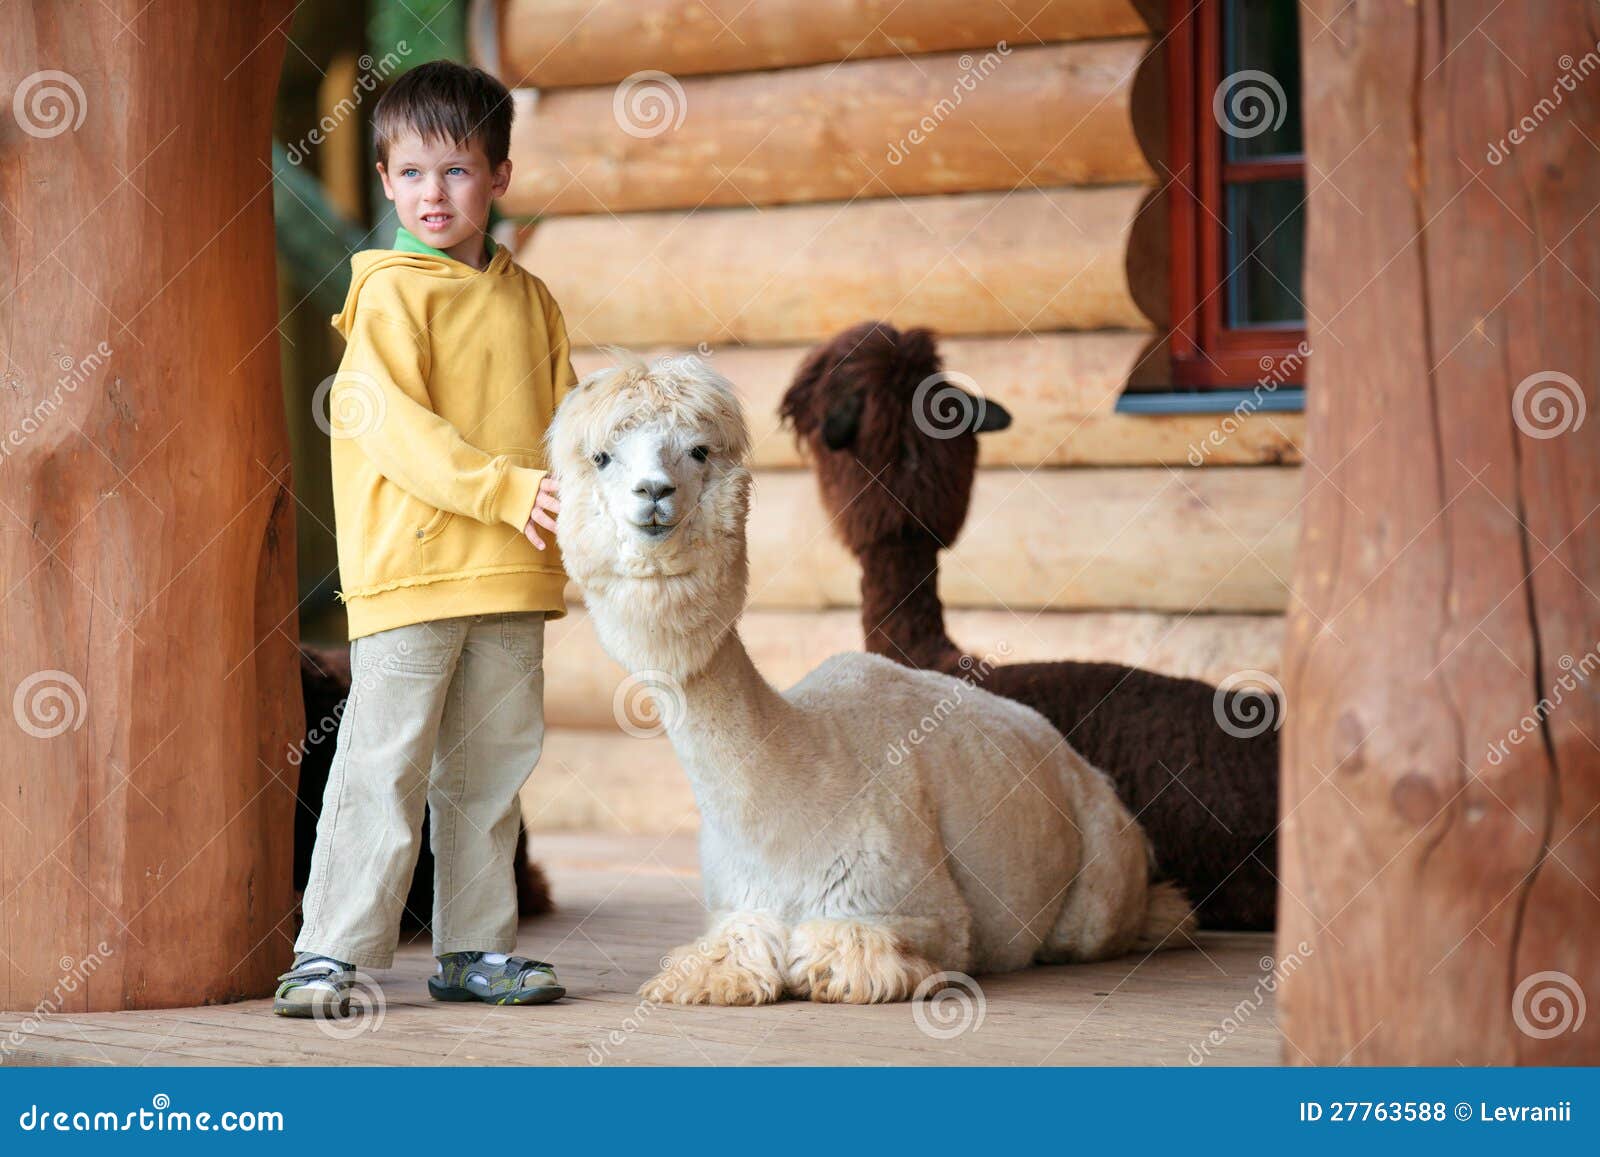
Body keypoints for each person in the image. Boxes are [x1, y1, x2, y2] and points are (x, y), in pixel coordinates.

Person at [276, 60, 572, 1016]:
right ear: (386, 177)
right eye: (408, 173)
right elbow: (396, 432)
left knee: (489, 774)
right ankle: (332, 951)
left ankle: (476, 949)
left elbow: (569, 427)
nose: (430, 194)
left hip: (511, 576)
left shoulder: (533, 302)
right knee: (384, 763)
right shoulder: (391, 296)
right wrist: (505, 490)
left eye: (455, 170)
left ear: (500, 176)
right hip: (413, 574)